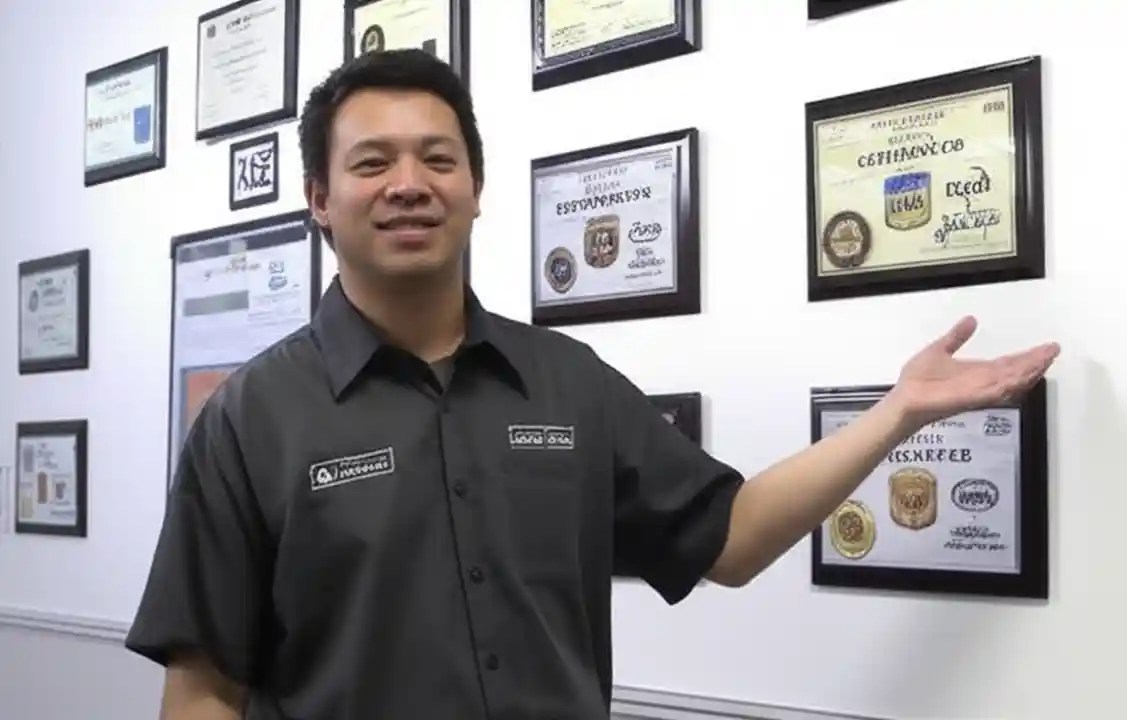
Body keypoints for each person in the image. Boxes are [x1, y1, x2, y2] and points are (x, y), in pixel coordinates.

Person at [123, 49, 1060, 720]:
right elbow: (204, 687)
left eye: (438, 159)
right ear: (321, 201)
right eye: (371, 163)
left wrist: (894, 415)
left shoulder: (565, 383)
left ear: (477, 189)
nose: (408, 183)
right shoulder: (251, 419)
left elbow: (728, 541)